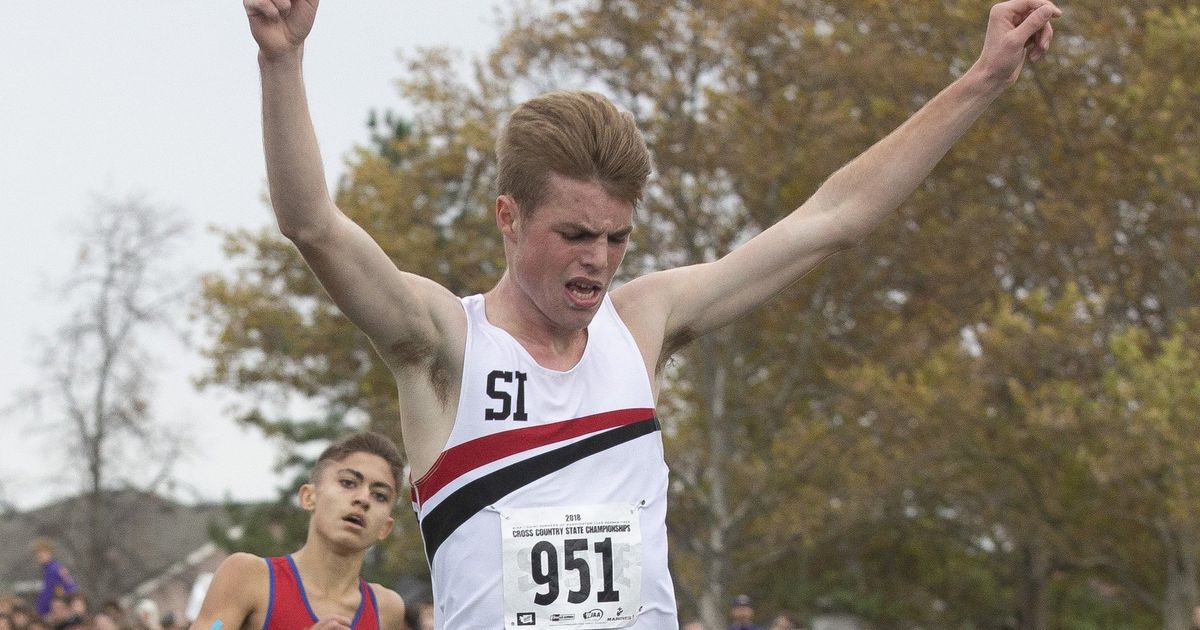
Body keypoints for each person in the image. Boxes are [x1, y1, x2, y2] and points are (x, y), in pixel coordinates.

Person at [241, 0, 1061, 627]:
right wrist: (283, 60)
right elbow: (313, 225)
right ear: (508, 217)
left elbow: (834, 219)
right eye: (574, 235)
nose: (598, 260)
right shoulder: (445, 343)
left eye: (617, 237)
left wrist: (982, 79)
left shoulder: (643, 323)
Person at [188, 432, 407, 629]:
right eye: (348, 483)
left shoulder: (386, 609)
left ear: (385, 528)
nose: (363, 499)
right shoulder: (248, 576)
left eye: (380, 496)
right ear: (309, 497)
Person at [32, 539, 78, 619]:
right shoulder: (46, 570)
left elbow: (70, 587)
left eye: (44, 552)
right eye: (38, 553)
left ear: (51, 553)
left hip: (57, 610)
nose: (40, 555)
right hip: (49, 611)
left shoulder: (55, 569)